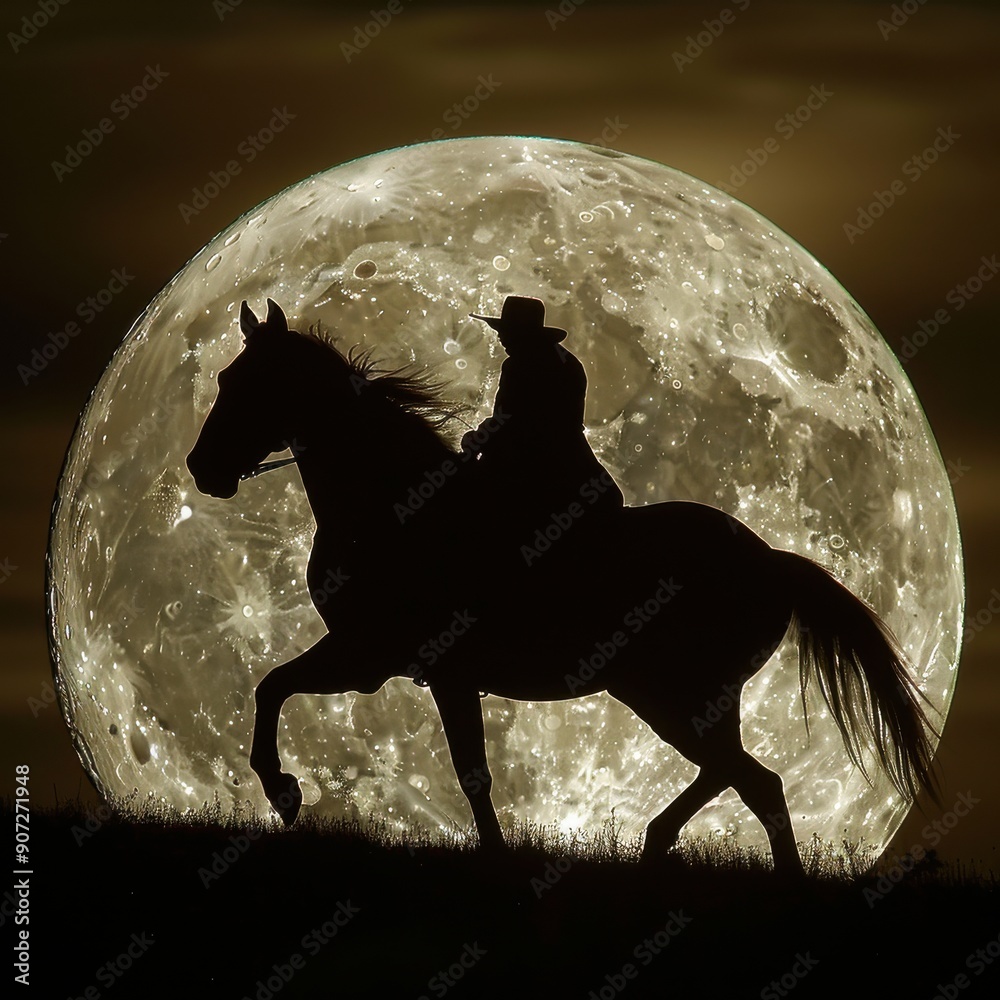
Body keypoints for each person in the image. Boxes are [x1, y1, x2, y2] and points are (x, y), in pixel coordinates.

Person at [465, 296, 624, 548]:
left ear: (521, 333)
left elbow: (510, 421)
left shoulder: (518, 365)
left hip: (534, 462)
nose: (500, 338)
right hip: (573, 459)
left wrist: (477, 438)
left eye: (505, 332)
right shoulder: (568, 362)